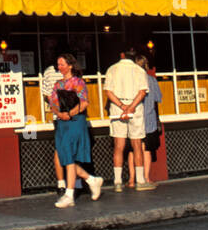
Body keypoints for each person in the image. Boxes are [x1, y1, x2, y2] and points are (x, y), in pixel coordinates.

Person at [49, 53, 103, 207]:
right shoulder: (57, 84)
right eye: (58, 65)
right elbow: (52, 103)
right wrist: (59, 113)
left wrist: (69, 114)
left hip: (75, 121)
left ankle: (69, 194)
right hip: (62, 123)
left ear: (70, 65)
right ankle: (91, 179)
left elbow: (84, 102)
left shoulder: (78, 82)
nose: (59, 67)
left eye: (62, 64)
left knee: (69, 156)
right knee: (63, 155)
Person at [104, 48, 154, 190]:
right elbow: (142, 92)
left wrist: (121, 105)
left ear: (121, 55)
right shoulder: (139, 71)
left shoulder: (112, 69)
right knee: (137, 145)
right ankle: (140, 181)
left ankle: (118, 182)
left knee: (118, 146)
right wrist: (131, 106)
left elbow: (108, 91)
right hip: (135, 108)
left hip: (117, 108)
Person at [136, 51, 163, 188]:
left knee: (135, 148)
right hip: (149, 119)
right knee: (146, 149)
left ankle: (135, 178)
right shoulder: (151, 80)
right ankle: (146, 177)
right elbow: (158, 98)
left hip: (135, 118)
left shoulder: (133, 81)